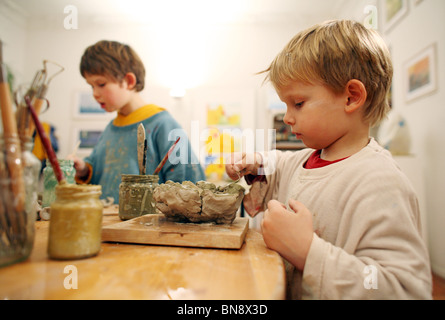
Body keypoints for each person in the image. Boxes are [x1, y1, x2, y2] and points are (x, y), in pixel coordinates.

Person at [226, 20, 432, 299]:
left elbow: (401, 288)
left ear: (351, 97)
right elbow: (279, 164)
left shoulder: (381, 182)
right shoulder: (305, 160)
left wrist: (308, 251)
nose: (287, 117)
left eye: (298, 103)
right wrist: (254, 161)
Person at [71, 40, 205, 201]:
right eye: (91, 86)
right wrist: (83, 169)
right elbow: (97, 171)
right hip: (108, 222)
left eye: (101, 84)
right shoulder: (111, 128)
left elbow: (188, 182)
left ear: (129, 81)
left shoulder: (163, 124)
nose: (95, 93)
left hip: (148, 224)